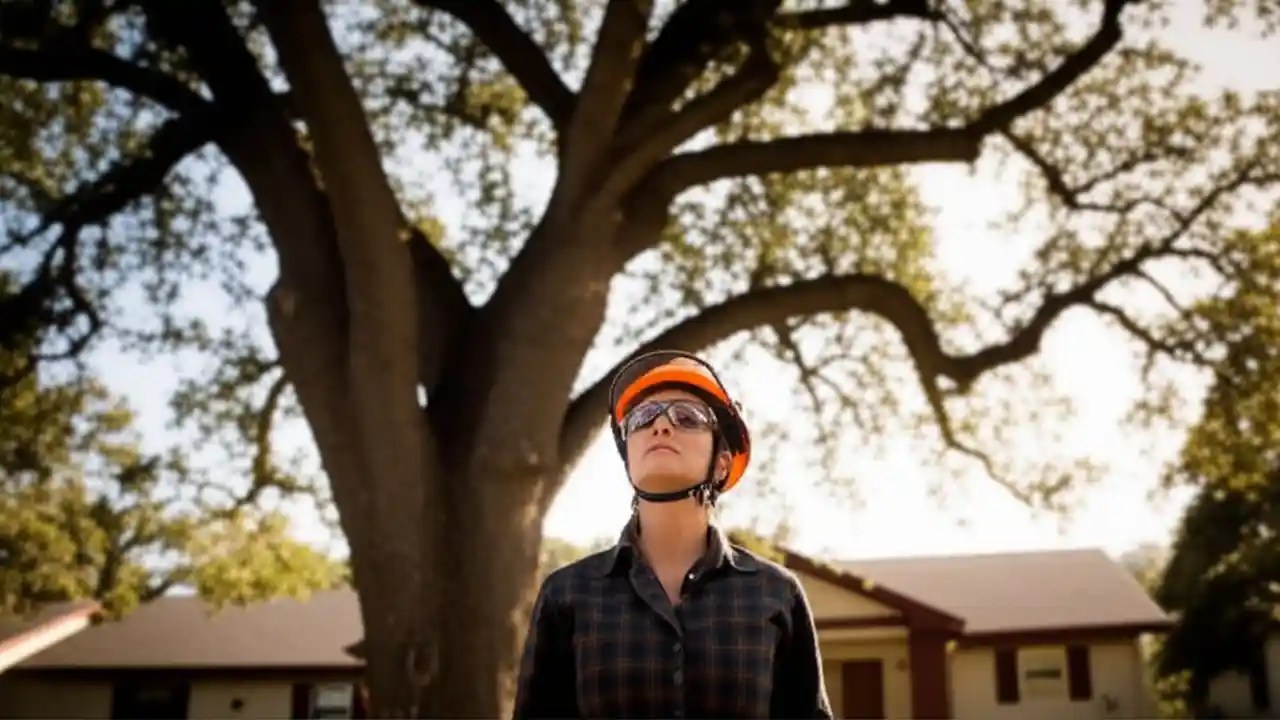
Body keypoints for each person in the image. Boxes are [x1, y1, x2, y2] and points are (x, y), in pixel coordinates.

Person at [512, 350, 833, 719]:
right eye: (642, 417)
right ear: (628, 454)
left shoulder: (776, 593)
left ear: (721, 462)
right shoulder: (566, 594)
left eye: (687, 416)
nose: (660, 426)